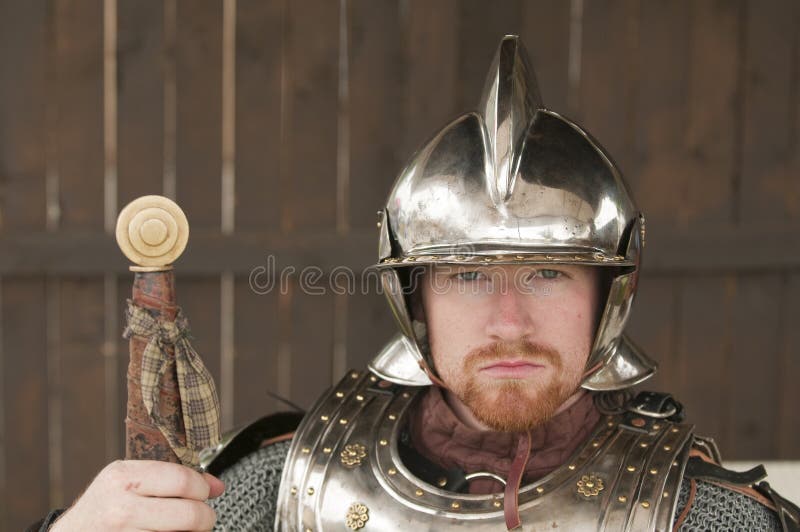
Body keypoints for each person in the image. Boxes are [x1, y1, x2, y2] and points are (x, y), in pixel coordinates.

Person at [33, 35, 799, 532]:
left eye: (545, 271)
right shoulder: (274, 491)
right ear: (414, 300)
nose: (508, 319)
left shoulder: (713, 517)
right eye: (466, 274)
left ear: (608, 297)